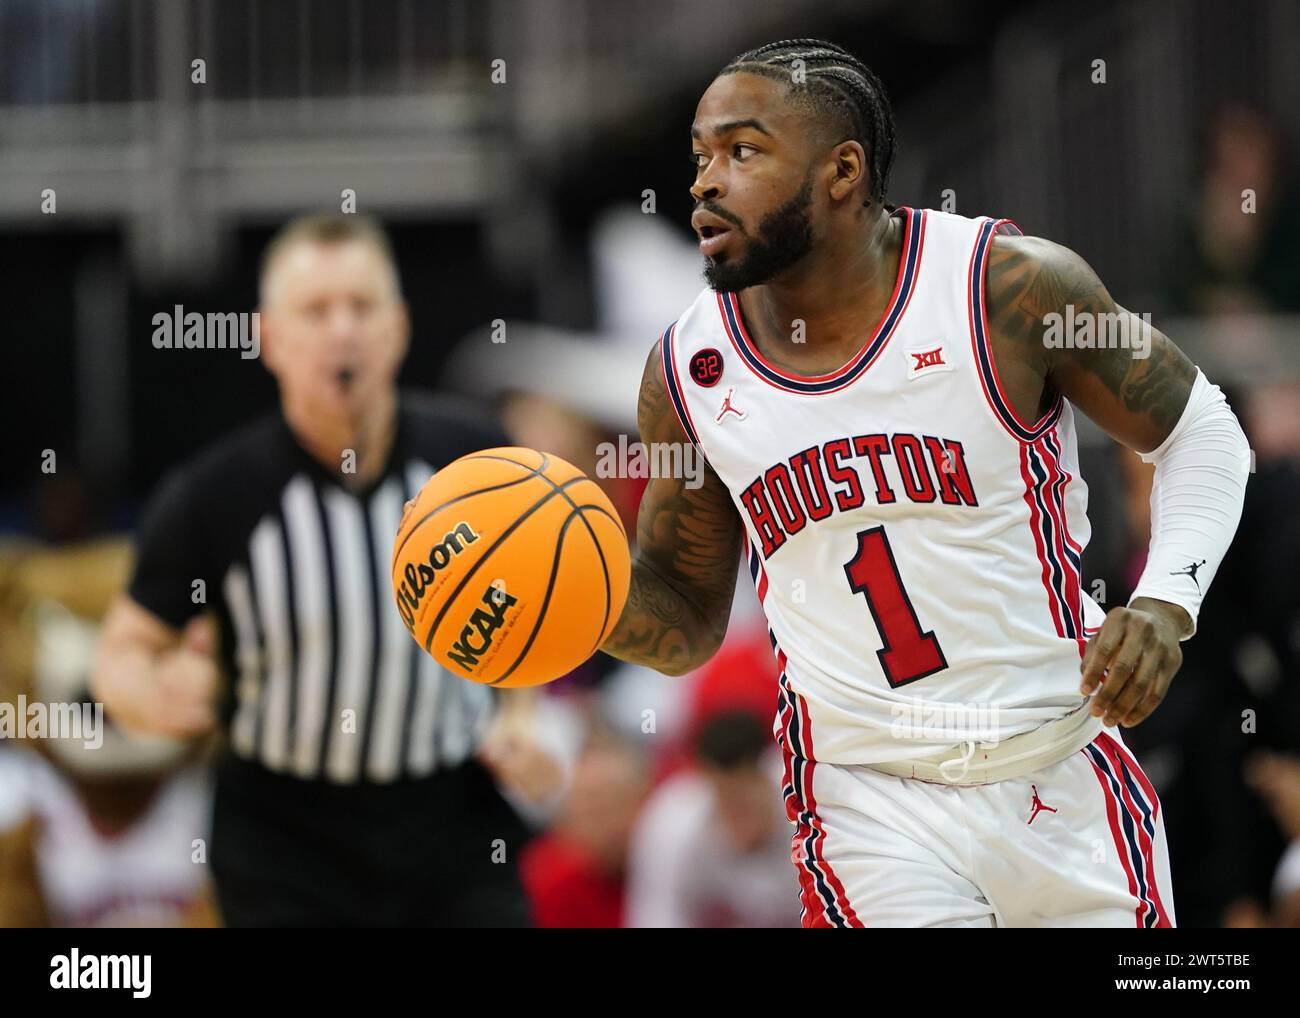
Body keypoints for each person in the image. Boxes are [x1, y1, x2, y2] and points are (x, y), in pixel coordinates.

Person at [599, 39, 1251, 928]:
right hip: (869, 803)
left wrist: (1166, 604)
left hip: (1056, 761)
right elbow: (681, 615)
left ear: (842, 170)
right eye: (700, 157)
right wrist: (566, 606)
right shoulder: (689, 371)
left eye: (742, 151)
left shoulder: (1004, 290)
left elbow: (1203, 430)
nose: (705, 183)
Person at [93, 214, 557, 927]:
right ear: (269, 338)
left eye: (362, 306)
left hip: (452, 817)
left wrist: (520, 716)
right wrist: (152, 695)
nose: (343, 330)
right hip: (286, 836)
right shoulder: (214, 494)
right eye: (315, 310)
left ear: (398, 328)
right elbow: (122, 650)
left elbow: (529, 615)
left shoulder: (478, 462)